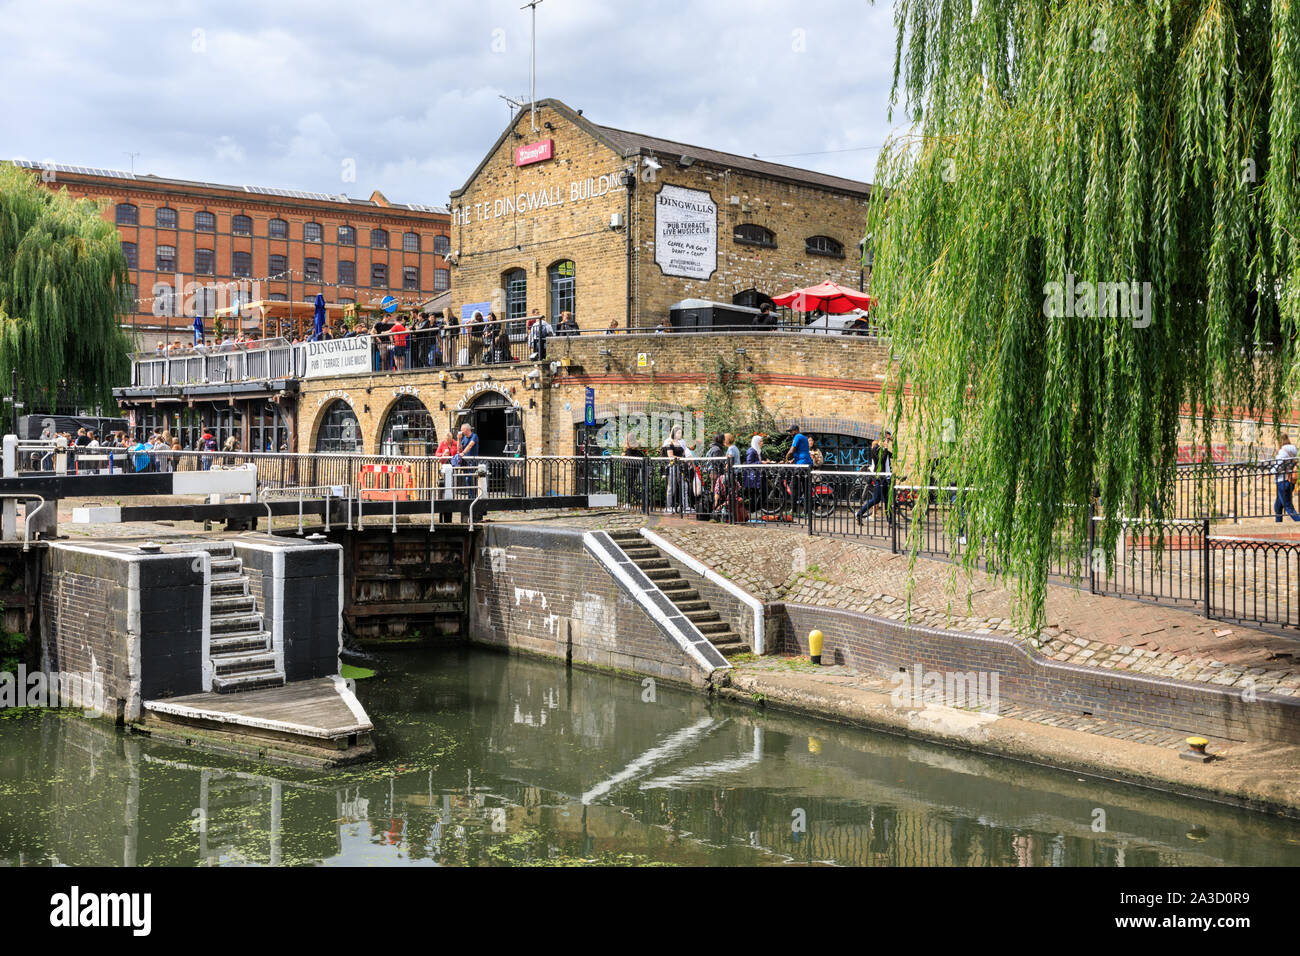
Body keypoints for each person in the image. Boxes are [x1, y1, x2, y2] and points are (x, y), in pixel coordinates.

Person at [857, 430, 894, 523]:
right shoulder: (876, 449)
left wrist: (893, 444)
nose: (888, 441)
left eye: (889, 439)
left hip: (887, 477)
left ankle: (890, 521)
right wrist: (885, 448)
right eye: (887, 438)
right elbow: (881, 461)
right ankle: (859, 513)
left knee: (887, 499)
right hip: (880, 478)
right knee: (876, 499)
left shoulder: (885, 449)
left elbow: (894, 455)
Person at [784, 424, 814, 515]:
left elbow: (792, 450)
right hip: (807, 464)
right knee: (806, 489)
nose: (790, 433)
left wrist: (786, 457)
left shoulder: (797, 436)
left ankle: (793, 511)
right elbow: (802, 451)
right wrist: (793, 460)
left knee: (793, 487)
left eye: (791, 431)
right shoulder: (804, 437)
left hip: (801, 466)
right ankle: (806, 512)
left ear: (796, 430)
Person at [1275, 433, 1300, 522]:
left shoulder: (1282, 451)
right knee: (1277, 506)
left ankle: (1298, 522)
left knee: (1288, 507)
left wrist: (1266, 473)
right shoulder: (1294, 450)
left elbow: (1278, 466)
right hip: (1290, 480)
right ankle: (1278, 527)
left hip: (1283, 481)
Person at [662, 426, 687, 513]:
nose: (680, 434)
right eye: (678, 433)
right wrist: (680, 458)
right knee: (671, 487)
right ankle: (668, 506)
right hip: (672, 466)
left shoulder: (680, 443)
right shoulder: (669, 443)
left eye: (681, 433)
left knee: (683, 486)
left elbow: (684, 453)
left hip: (680, 467)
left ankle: (683, 506)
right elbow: (670, 456)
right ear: (674, 433)